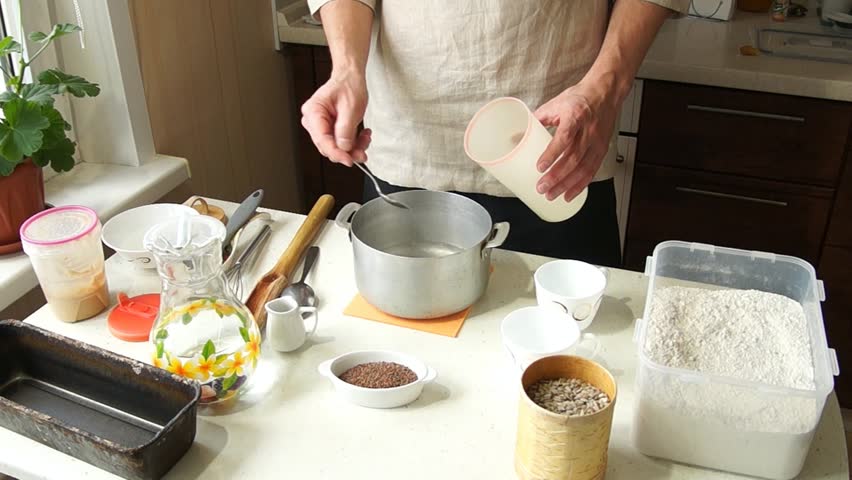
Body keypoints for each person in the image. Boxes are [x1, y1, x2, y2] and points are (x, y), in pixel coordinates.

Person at [301, 0, 688, 267]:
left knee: (575, 354)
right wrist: (347, 71)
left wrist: (606, 88)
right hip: (410, 152)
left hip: (557, 146)